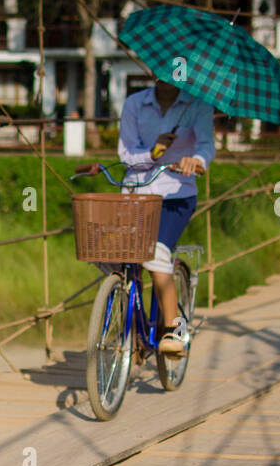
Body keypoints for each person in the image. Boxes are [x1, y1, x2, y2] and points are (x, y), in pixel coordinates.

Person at [81, 78, 215, 354]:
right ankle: (134, 325)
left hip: (175, 195)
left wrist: (196, 161)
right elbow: (127, 154)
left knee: (157, 255)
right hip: (136, 193)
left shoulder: (197, 105)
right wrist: (154, 152)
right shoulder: (135, 103)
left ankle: (175, 331)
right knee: (112, 255)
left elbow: (206, 145)